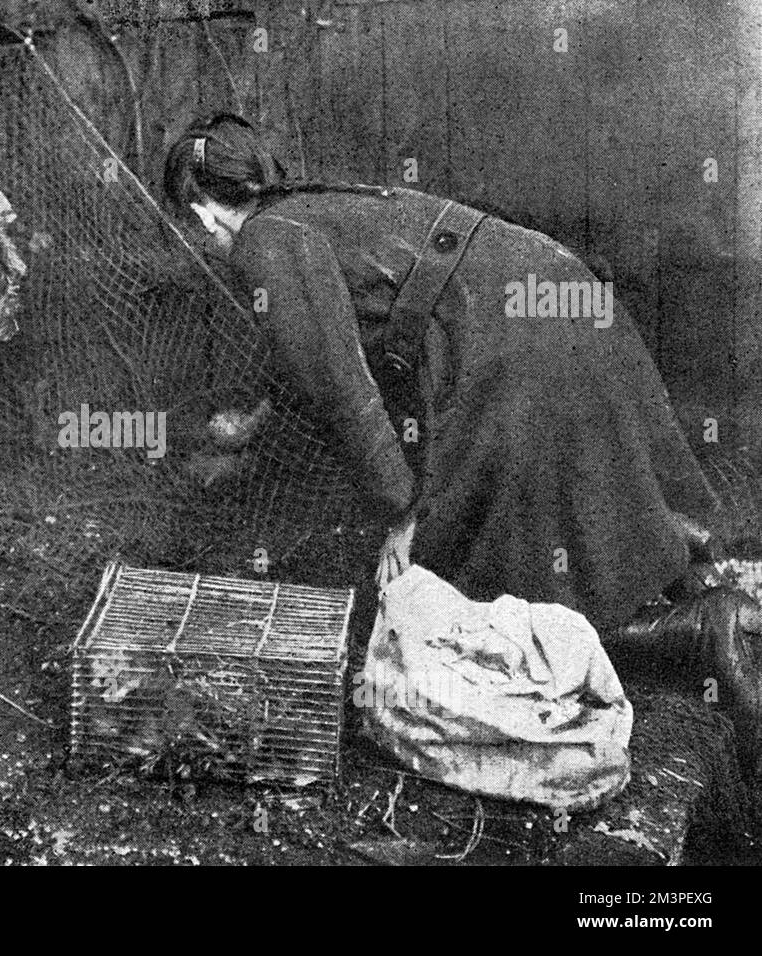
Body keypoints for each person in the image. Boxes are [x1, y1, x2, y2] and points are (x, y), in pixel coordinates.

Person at [163, 113, 762, 771]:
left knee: (469, 609)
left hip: (513, 352)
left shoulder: (261, 242)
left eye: (190, 230)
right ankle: (696, 583)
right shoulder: (309, 208)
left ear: (200, 212)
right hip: (559, 295)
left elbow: (342, 390)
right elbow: (317, 336)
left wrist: (400, 515)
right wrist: (256, 418)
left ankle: (698, 635)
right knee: (610, 508)